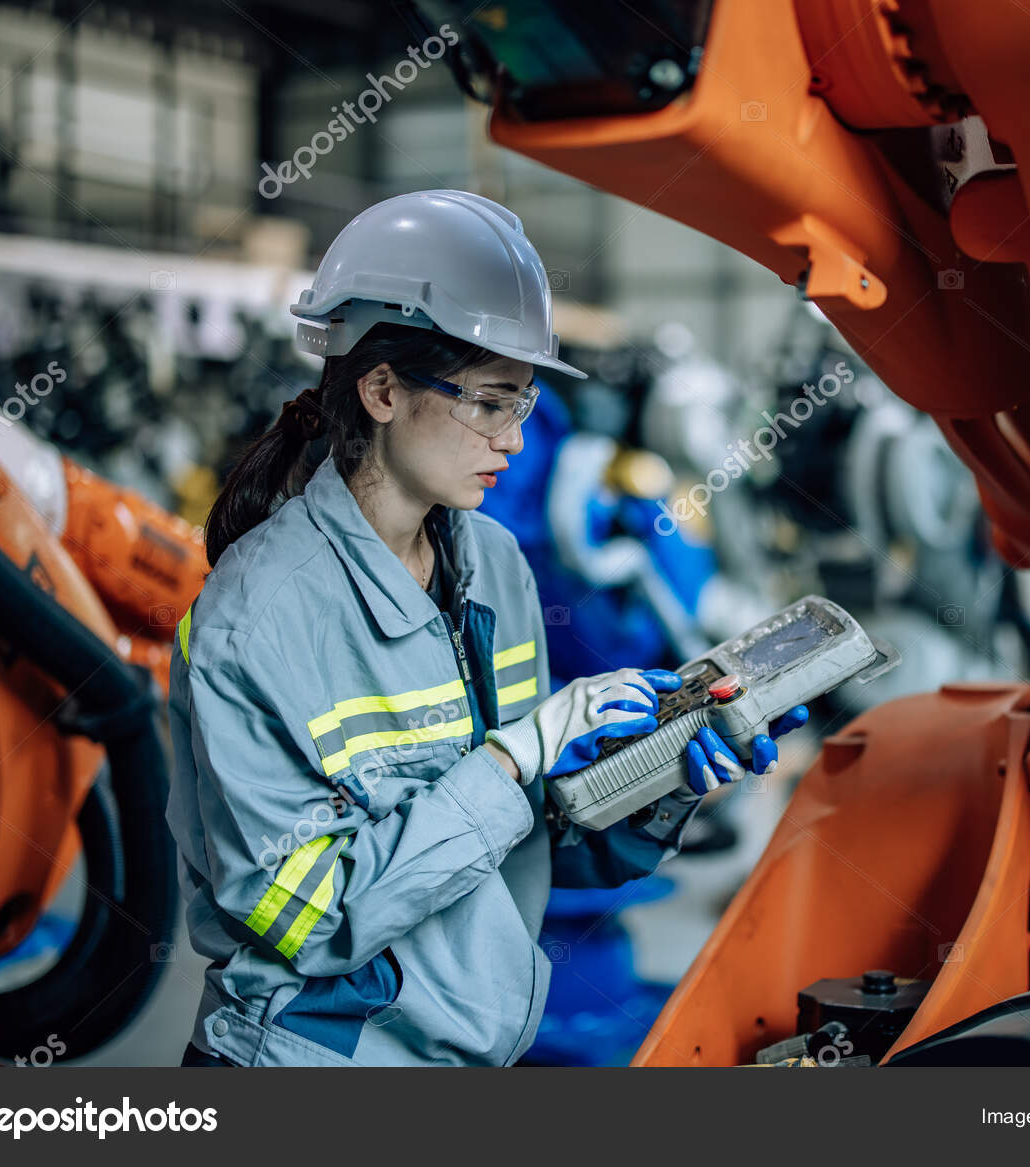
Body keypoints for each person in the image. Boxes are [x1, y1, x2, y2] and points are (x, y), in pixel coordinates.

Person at [165, 190, 807, 1067]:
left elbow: (526, 847)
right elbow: (309, 918)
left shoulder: (496, 563)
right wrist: (515, 754)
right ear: (382, 388)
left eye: (525, 402)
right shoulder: (257, 614)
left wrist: (664, 776)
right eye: (489, 401)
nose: (513, 438)